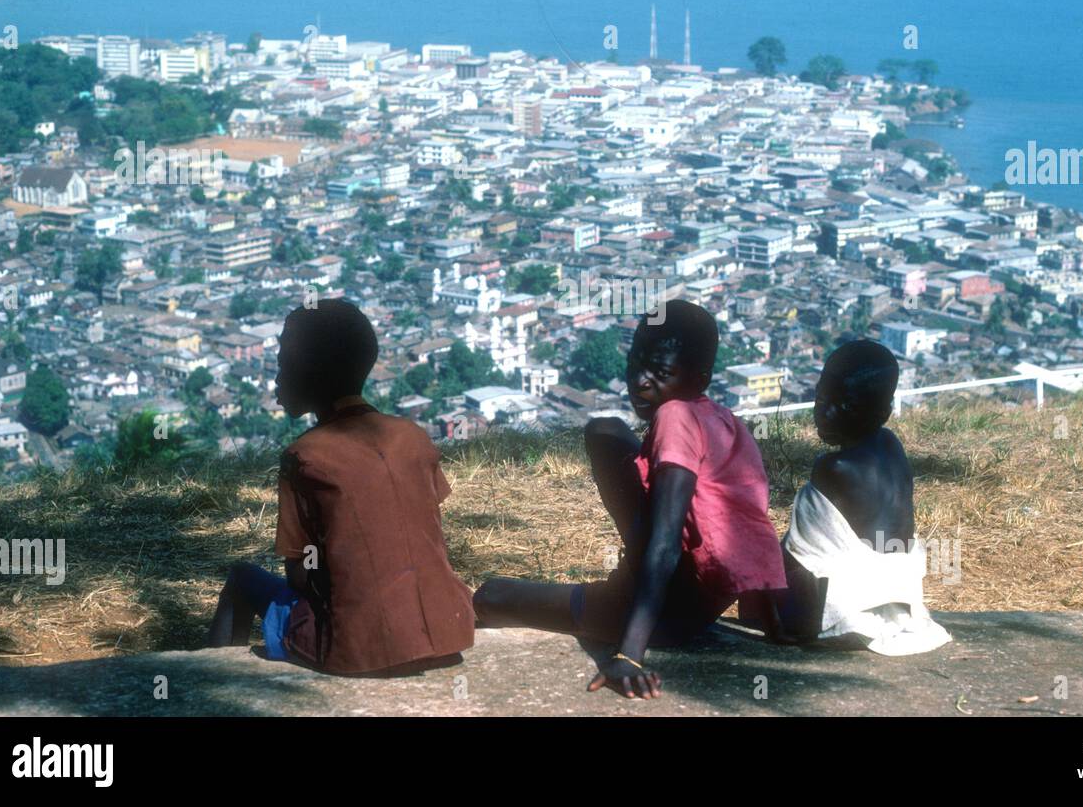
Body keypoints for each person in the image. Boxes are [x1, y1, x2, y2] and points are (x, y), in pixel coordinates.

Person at [473, 300, 786, 697]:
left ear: (700, 378)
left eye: (661, 372)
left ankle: (623, 600)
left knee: (491, 595)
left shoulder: (675, 417)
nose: (640, 380)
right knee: (607, 430)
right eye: (637, 363)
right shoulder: (728, 424)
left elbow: (666, 543)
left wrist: (630, 655)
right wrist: (774, 627)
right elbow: (749, 527)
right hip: (699, 610)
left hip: (662, 615)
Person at [205, 299, 475, 675]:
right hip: (450, 629)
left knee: (242, 578)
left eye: (284, 366)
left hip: (357, 647)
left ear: (311, 374)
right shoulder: (413, 437)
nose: (278, 379)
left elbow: (299, 576)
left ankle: (210, 687)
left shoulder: (304, 456)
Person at [746, 339, 951, 655]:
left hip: (839, 607)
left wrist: (767, 603)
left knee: (748, 549)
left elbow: (799, 555)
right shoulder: (892, 445)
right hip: (897, 595)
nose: (824, 413)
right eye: (820, 400)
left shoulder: (834, 467)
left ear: (881, 410)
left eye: (842, 405)